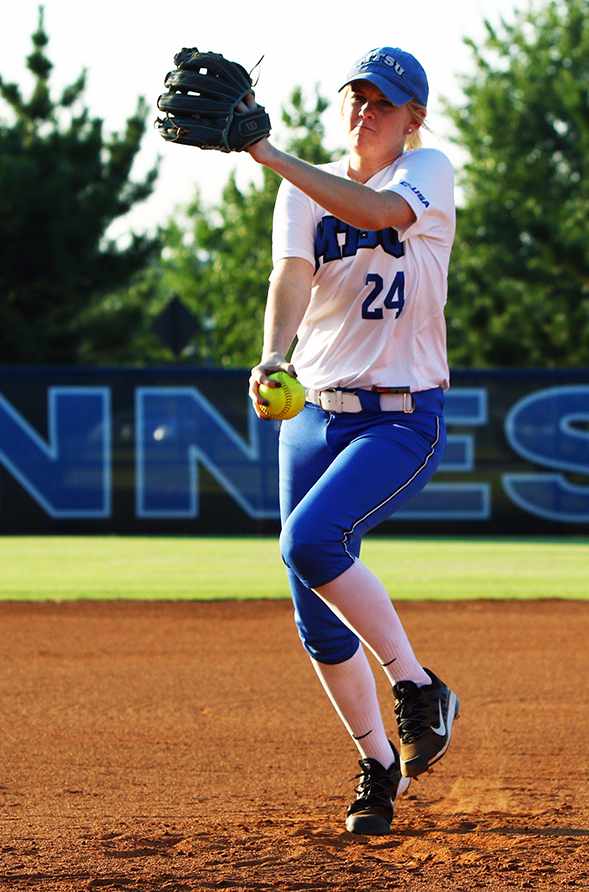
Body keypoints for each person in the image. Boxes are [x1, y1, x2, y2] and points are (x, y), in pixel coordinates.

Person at [242, 47, 460, 836]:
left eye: (386, 101)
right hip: (314, 412)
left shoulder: (429, 171)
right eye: (357, 96)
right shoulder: (302, 192)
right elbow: (292, 277)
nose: (367, 110)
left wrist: (267, 154)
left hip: (402, 416)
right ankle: (378, 764)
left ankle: (417, 686)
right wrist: (273, 352)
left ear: (414, 118)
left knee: (313, 537)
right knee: (311, 600)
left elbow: (374, 216)